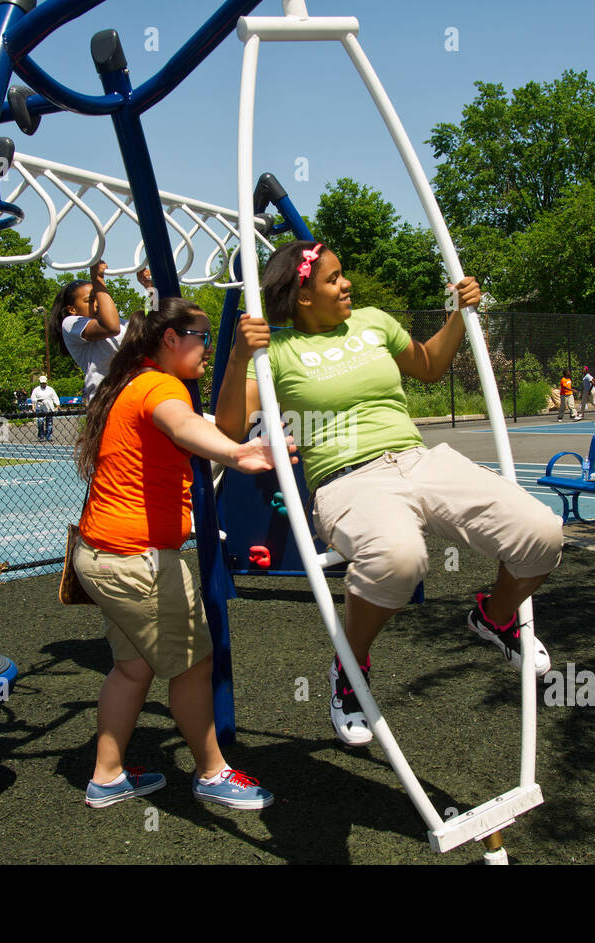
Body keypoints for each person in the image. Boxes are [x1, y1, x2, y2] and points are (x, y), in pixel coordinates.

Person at [216, 241, 563, 746]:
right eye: (333, 279)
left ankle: (494, 618)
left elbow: (428, 366)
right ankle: (351, 666)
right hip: (348, 477)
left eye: (343, 275)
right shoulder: (274, 350)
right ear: (304, 296)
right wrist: (237, 357)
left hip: (418, 458)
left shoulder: (373, 321)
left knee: (542, 533)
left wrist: (458, 315)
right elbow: (229, 430)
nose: (346, 284)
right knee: (398, 561)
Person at [72, 297, 284, 809]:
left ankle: (108, 775)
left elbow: (202, 425)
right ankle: (212, 772)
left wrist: (234, 381)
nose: (206, 348)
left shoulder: (131, 382)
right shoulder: (162, 387)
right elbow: (182, 424)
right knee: (193, 665)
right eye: (201, 337)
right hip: (137, 561)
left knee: (132, 669)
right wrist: (237, 453)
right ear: (171, 340)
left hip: (101, 554)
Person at [47, 259, 124, 403]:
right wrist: (98, 279)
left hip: (136, 395)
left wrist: (150, 287)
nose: (97, 304)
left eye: (98, 298)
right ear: (72, 309)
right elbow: (111, 327)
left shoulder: (121, 322)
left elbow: (155, 325)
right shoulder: (71, 323)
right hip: (108, 401)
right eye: (90, 300)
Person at [30, 374, 60, 441]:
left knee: (49, 423)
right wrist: (34, 406)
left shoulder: (50, 389)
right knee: (40, 421)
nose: (43, 384)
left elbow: (55, 397)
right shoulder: (36, 390)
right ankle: (41, 435)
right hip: (40, 408)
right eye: (42, 383)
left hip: (49, 408)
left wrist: (57, 405)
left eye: (44, 383)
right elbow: (33, 398)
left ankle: (48, 436)